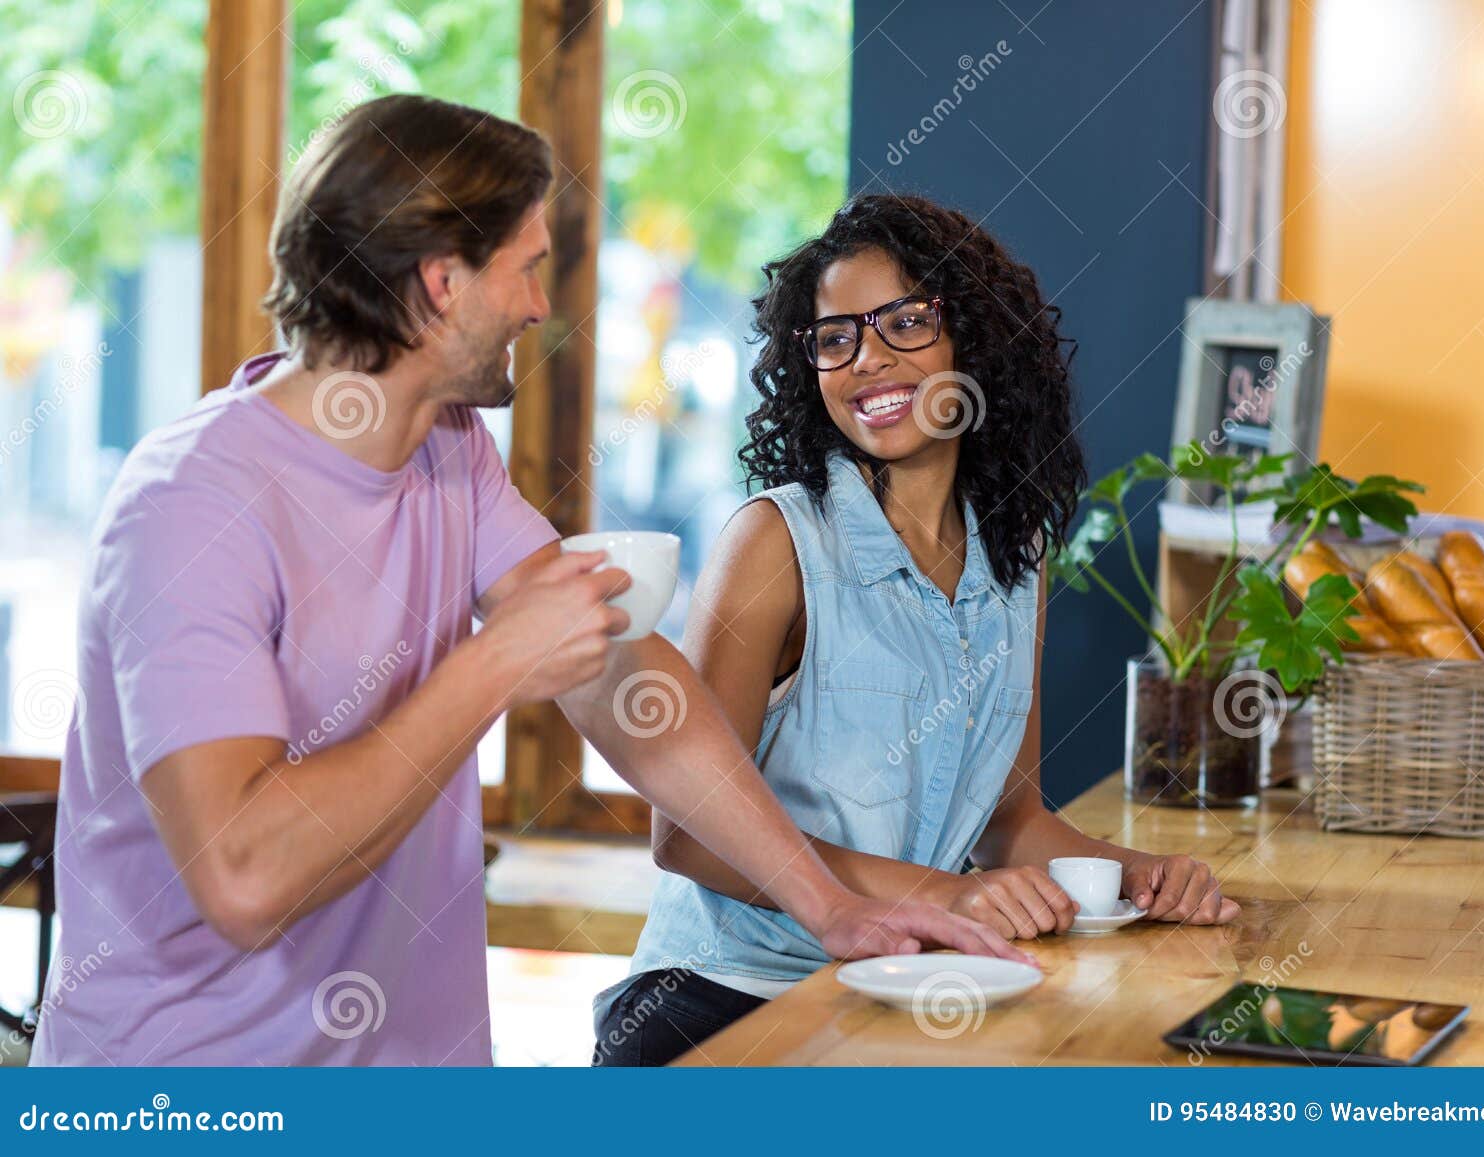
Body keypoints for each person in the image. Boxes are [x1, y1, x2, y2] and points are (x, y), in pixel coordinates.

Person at [28, 98, 1023, 1067]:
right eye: (527, 267)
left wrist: (828, 901)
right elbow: (242, 873)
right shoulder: (191, 501)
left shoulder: (448, 451)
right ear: (440, 281)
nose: (543, 305)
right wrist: (495, 660)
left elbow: (621, 680)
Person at [594, 194, 1242, 1066]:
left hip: (898, 986)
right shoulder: (775, 540)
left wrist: (1138, 872)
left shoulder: (1017, 553)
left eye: (905, 322)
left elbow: (1010, 819)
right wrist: (945, 895)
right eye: (836, 338)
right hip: (726, 999)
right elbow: (688, 832)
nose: (868, 362)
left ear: (976, 338)